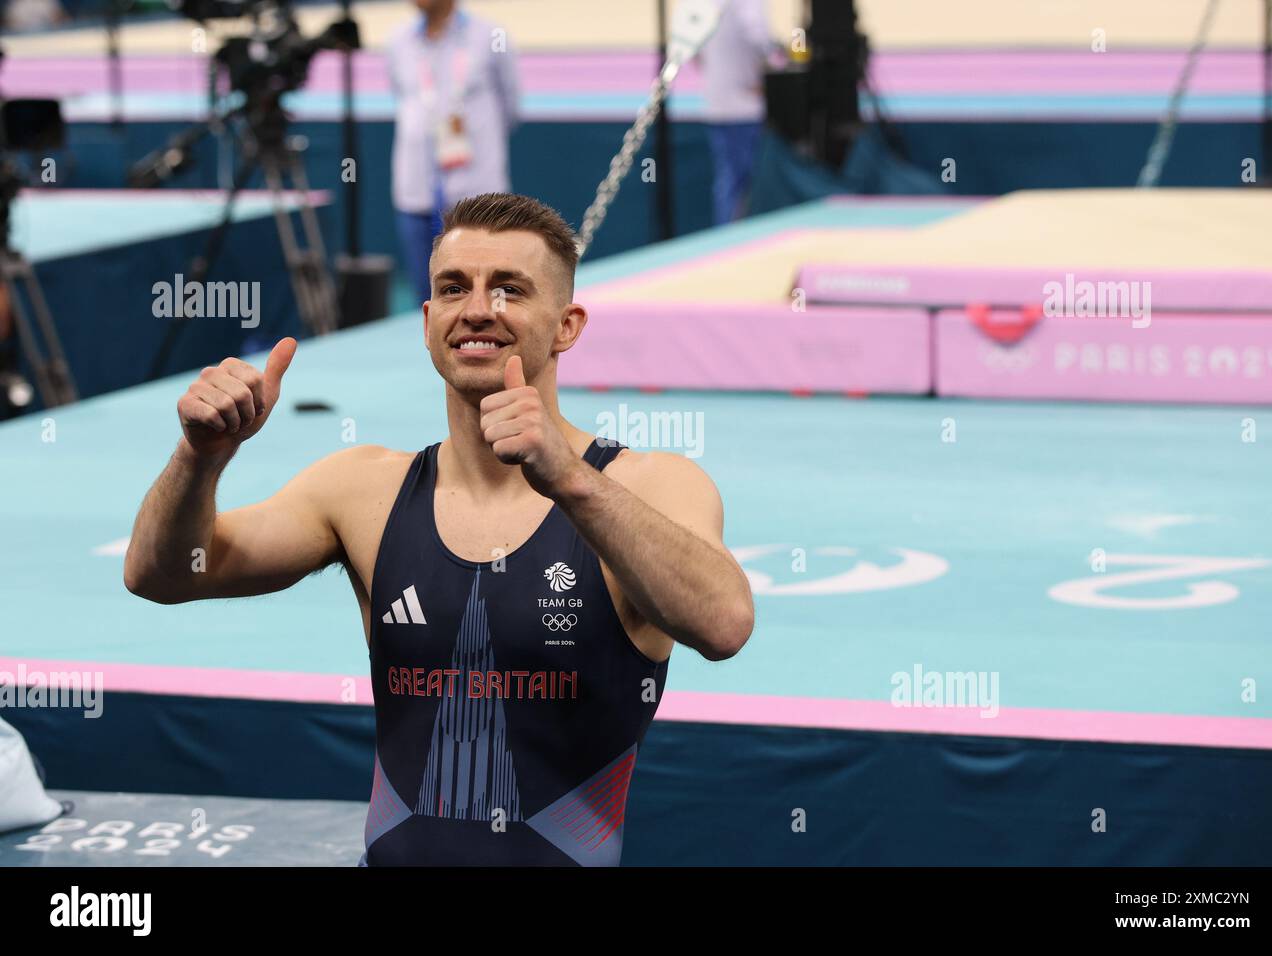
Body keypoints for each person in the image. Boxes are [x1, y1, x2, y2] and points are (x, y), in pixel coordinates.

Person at [123, 192, 755, 866]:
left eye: (509, 289)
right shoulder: (363, 489)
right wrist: (200, 458)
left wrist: (569, 479)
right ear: (428, 321)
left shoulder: (646, 484)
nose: (477, 309)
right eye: (454, 288)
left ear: (567, 325)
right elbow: (160, 575)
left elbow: (723, 624)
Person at [387, 0, 519, 304]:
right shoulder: (398, 43)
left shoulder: (491, 37)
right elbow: (403, 99)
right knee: (429, 298)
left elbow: (511, 106)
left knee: (485, 294)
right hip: (416, 190)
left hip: (478, 191)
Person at [698, 0, 783, 224]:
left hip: (718, 102)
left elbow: (693, 47)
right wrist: (766, 68)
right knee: (742, 184)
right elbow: (758, 36)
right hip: (744, 105)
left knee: (728, 182)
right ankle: (733, 238)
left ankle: (728, 235)